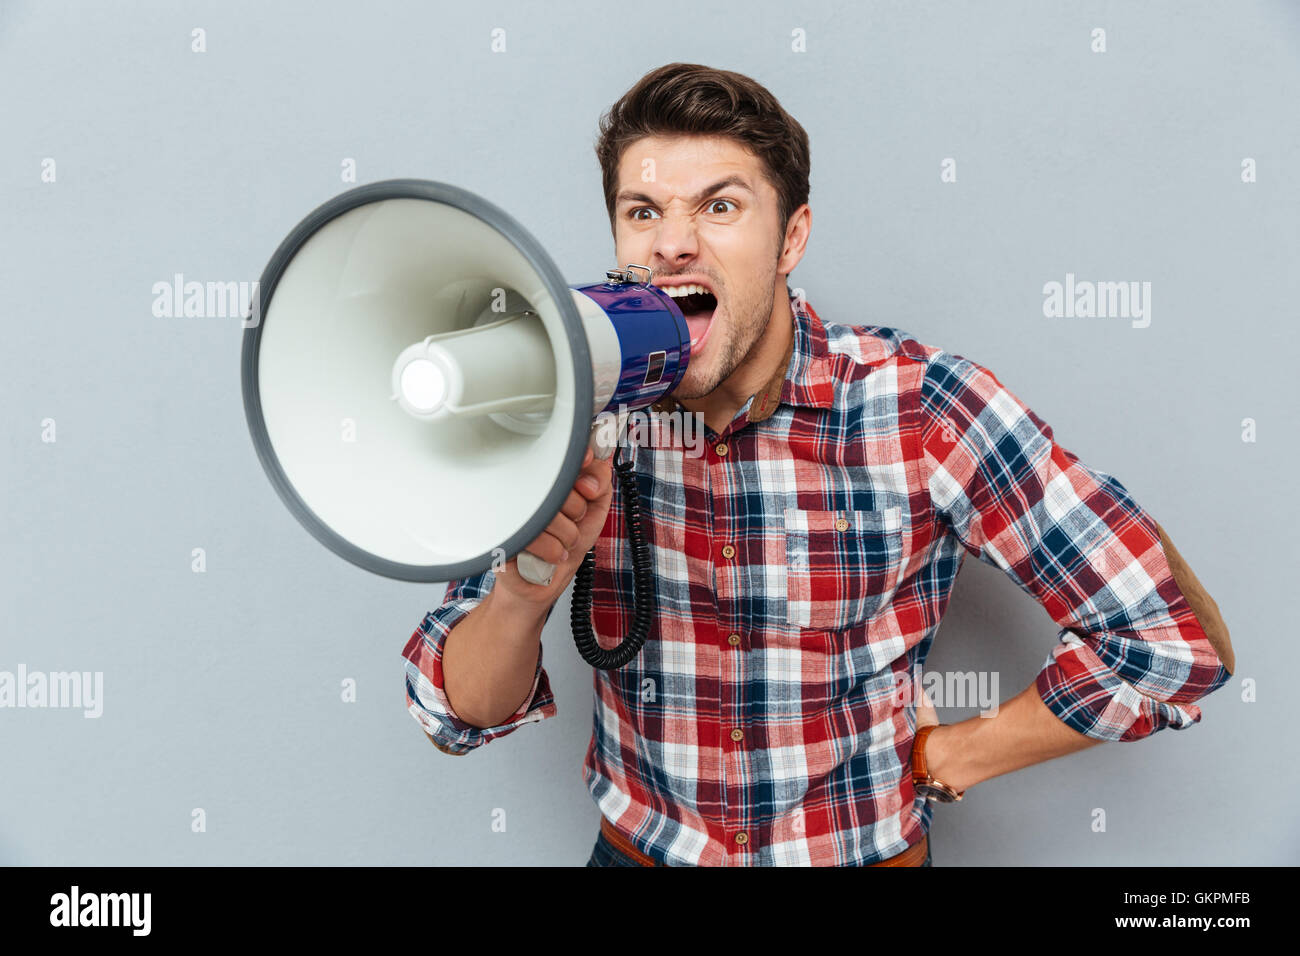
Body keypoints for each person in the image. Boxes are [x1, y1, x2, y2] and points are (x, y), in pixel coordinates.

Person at [400, 63, 1235, 867]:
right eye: (642, 212)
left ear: (791, 236)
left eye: (719, 207)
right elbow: (454, 710)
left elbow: (1171, 638)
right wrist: (527, 590)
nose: (674, 245)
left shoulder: (921, 406)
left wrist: (958, 755)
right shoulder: (570, 405)